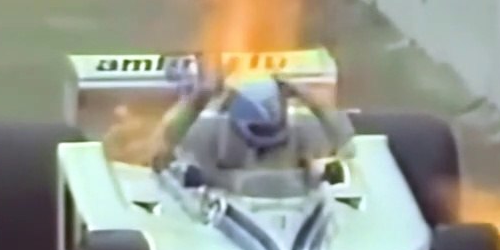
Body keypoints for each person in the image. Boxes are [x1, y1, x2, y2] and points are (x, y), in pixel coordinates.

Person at [150, 69, 353, 174]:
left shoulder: (302, 132)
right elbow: (162, 148)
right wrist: (199, 99)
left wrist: (305, 94)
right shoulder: (210, 133)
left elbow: (348, 148)